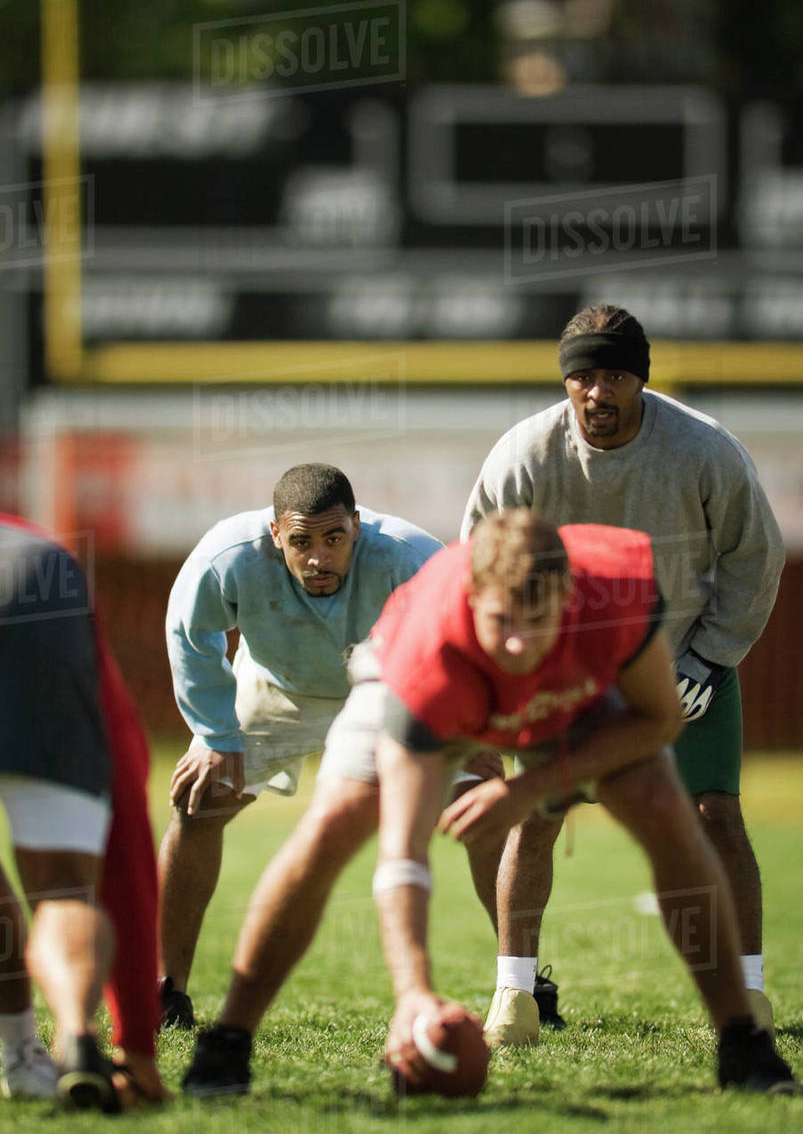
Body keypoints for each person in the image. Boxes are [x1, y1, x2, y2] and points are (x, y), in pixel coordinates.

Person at [183, 511, 796, 1097]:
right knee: (331, 829)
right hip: (441, 688)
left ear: (567, 598)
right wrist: (414, 995)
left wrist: (529, 787)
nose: (517, 643)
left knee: (667, 817)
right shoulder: (427, 650)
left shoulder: (614, 597)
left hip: (572, 697)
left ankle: (741, 1039)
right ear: (474, 597)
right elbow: (403, 852)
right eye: (502, 619)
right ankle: (229, 1038)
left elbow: (659, 721)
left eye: (536, 619)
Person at [460, 305, 785, 1047]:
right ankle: (513, 996)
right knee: (535, 816)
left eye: (612, 376)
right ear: (565, 382)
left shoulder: (704, 451)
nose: (595, 393)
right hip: (558, 667)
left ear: (638, 379)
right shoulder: (523, 455)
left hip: (680, 663)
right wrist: (514, 662)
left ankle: (748, 991)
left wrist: (711, 655)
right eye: (581, 377)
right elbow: (480, 564)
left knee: (715, 816)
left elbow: (753, 558)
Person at [160, 462, 499, 1028]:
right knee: (198, 800)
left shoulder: (411, 557)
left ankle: (521, 981)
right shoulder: (227, 558)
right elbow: (190, 637)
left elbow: (468, 635)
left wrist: (478, 730)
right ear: (275, 535)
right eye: (301, 542)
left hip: (393, 689)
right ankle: (166, 988)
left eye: (334, 538)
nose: (319, 557)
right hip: (279, 686)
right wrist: (214, 737)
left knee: (482, 801)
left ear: (357, 528)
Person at [0, 514, 167, 1112]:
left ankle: (20, 1056)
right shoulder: (38, 551)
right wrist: (139, 1046)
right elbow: (124, 831)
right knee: (66, 889)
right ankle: (77, 1032)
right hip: (31, 578)